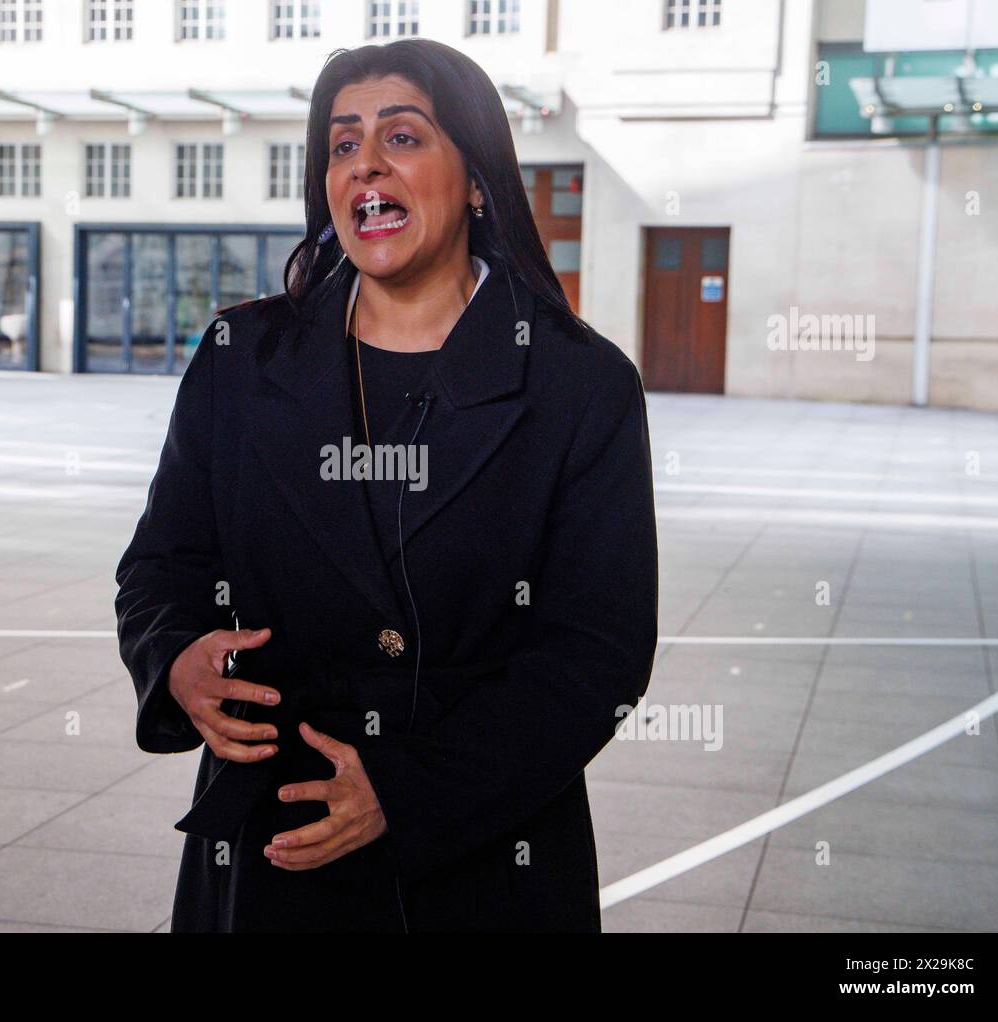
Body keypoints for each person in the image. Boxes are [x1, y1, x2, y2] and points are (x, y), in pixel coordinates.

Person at [115, 38, 658, 932]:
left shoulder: (580, 385)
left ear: (477, 178)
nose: (364, 162)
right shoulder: (241, 360)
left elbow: (597, 654)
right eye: (341, 144)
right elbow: (162, 567)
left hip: (485, 864)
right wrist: (173, 657)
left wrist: (405, 792)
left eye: (402, 137)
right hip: (273, 856)